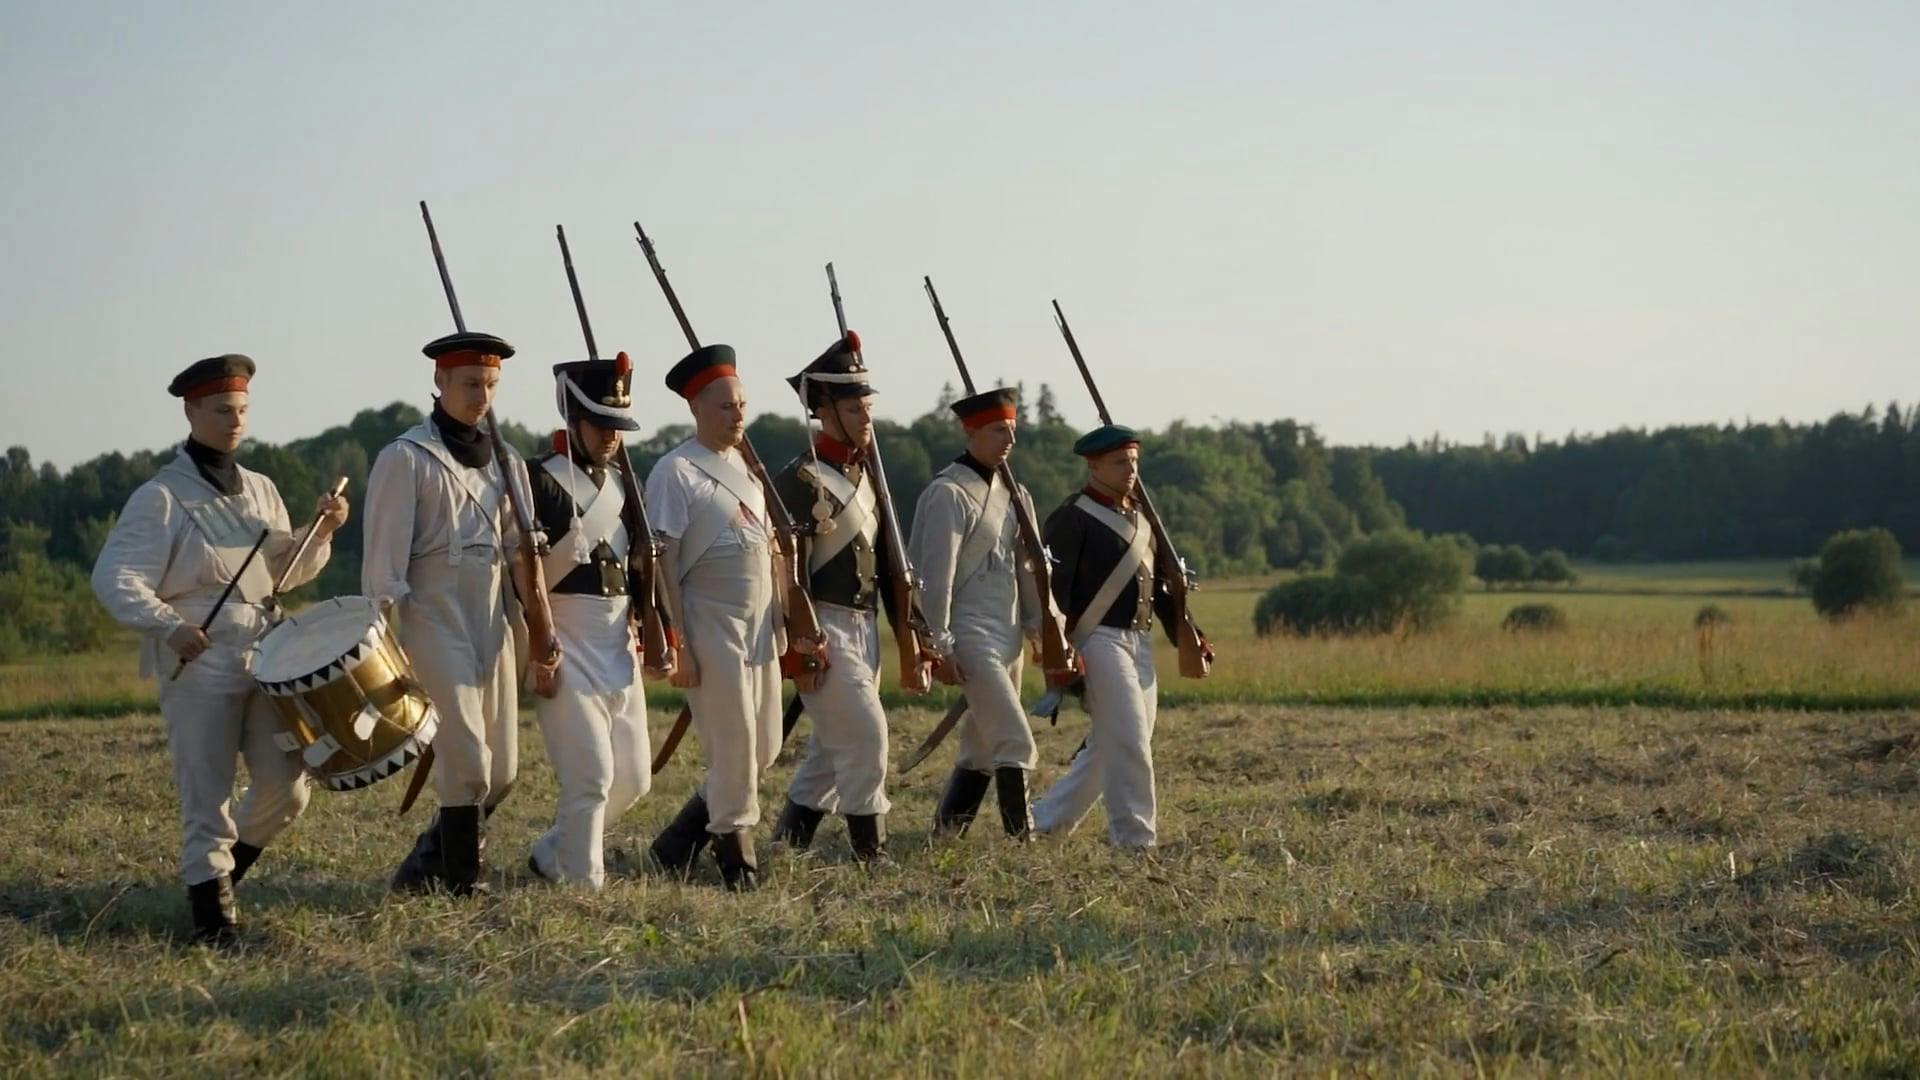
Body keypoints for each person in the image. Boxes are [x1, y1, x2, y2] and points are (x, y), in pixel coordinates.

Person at [92, 354, 347, 944]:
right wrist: (167, 625)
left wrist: (323, 530)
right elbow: (114, 577)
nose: (235, 421)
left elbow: (285, 575)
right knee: (206, 793)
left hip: (265, 652)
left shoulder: (261, 489)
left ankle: (221, 877)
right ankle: (213, 922)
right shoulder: (160, 497)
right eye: (222, 410)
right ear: (192, 411)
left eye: (242, 410)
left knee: (287, 788)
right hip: (198, 655)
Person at [364, 331, 552, 896]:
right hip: (432, 613)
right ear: (440, 380)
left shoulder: (508, 462)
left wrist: (539, 625)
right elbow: (383, 568)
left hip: (491, 615)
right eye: (471, 383)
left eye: (490, 384)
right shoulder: (406, 458)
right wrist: (382, 646)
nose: (482, 395)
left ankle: (426, 866)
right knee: (467, 758)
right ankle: (465, 881)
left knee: (502, 771)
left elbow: (521, 553)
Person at [768, 332, 923, 862]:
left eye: (867, 407)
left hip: (864, 624)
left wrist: (915, 635)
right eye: (855, 408)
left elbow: (891, 564)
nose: (865, 418)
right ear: (824, 409)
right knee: (864, 737)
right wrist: (801, 642)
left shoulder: (866, 476)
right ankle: (870, 852)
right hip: (823, 624)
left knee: (829, 755)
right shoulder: (799, 480)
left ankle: (789, 845)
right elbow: (786, 573)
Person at [643, 344, 783, 890]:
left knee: (763, 746)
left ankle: (676, 844)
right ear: (696, 407)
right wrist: (678, 641)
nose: (737, 415)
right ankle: (735, 857)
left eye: (741, 404)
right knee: (734, 744)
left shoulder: (747, 469)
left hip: (758, 625)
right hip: (709, 622)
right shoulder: (675, 471)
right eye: (725, 406)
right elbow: (665, 562)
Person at [1031, 425, 1211, 849]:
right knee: (1128, 740)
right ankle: (1135, 841)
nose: (1130, 470)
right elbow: (1053, 593)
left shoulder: (1142, 517)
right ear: (1093, 466)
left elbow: (1163, 591)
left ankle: (1045, 821)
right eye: (1119, 462)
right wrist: (1060, 650)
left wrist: (1192, 634)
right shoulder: (1072, 517)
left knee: (1117, 740)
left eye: (1133, 461)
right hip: (1097, 640)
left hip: (1138, 641)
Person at [524, 352, 665, 888]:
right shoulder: (537, 479)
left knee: (634, 778)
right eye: (601, 423)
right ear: (574, 418)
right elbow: (523, 571)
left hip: (617, 637)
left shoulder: (626, 485)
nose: (611, 436)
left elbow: (642, 565)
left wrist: (658, 626)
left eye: (617, 424)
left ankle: (553, 853)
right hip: (566, 633)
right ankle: (586, 886)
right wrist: (539, 643)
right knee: (591, 777)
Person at [908, 387, 1050, 840]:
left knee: (982, 747)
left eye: (1012, 430)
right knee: (1014, 738)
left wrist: (1040, 628)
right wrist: (939, 643)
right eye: (998, 430)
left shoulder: (1017, 494)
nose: (1009, 439)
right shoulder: (948, 493)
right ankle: (1022, 843)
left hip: (1008, 632)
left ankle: (946, 837)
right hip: (968, 634)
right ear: (971, 432)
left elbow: (1029, 569)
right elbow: (936, 577)